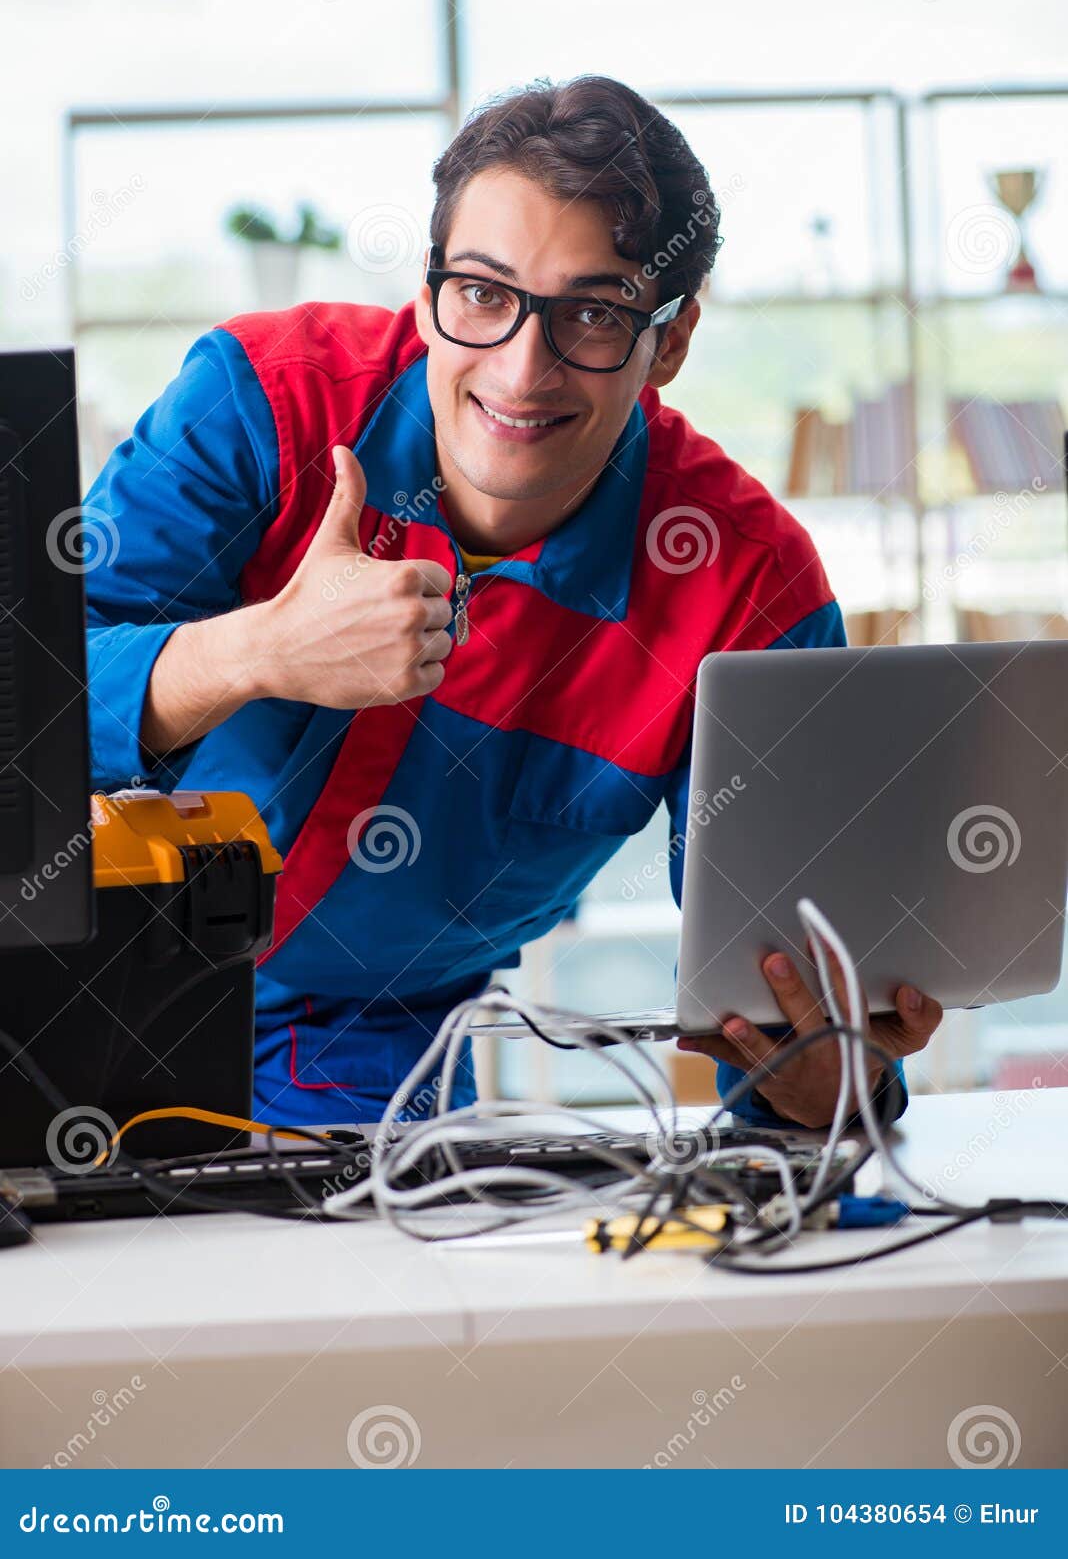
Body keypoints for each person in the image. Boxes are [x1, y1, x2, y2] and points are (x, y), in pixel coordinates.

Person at [84, 74, 942, 1131]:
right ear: (428, 289)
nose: (521, 370)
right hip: (77, 968)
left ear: (668, 342)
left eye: (592, 312)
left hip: (362, 1052)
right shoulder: (260, 400)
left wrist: (824, 1082)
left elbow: (783, 988)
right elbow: (28, 709)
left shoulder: (748, 590)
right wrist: (257, 651)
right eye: (483, 294)